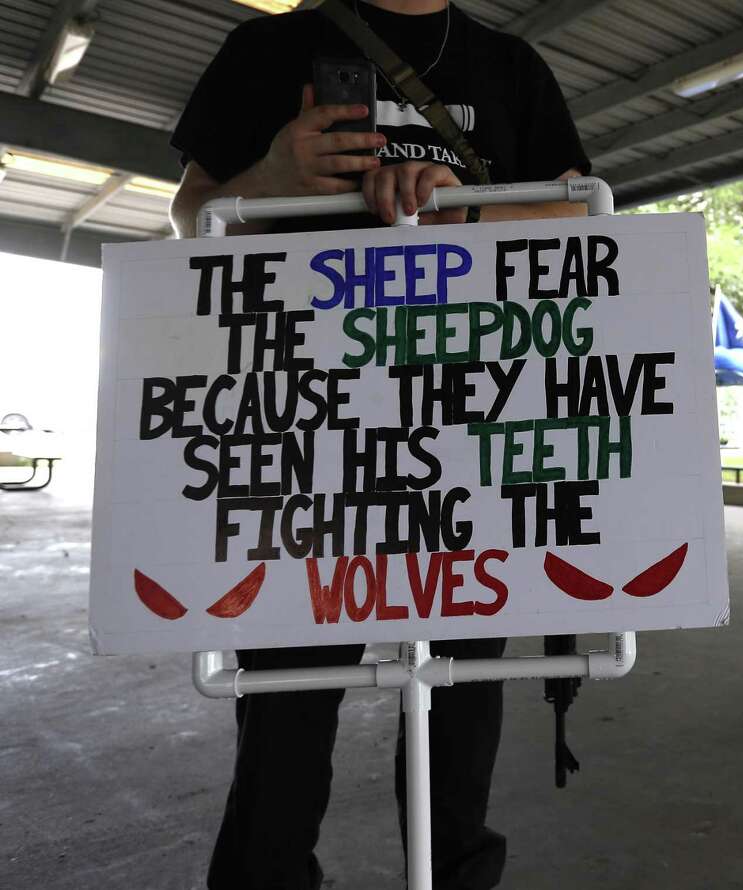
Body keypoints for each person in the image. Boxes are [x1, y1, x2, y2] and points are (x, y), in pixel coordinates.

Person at [168, 2, 590, 887]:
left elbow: (577, 214)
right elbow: (193, 216)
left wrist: (467, 209)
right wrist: (270, 178)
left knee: (463, 704)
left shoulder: (512, 68)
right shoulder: (267, 49)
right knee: (285, 706)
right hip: (306, 434)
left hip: (468, 429)